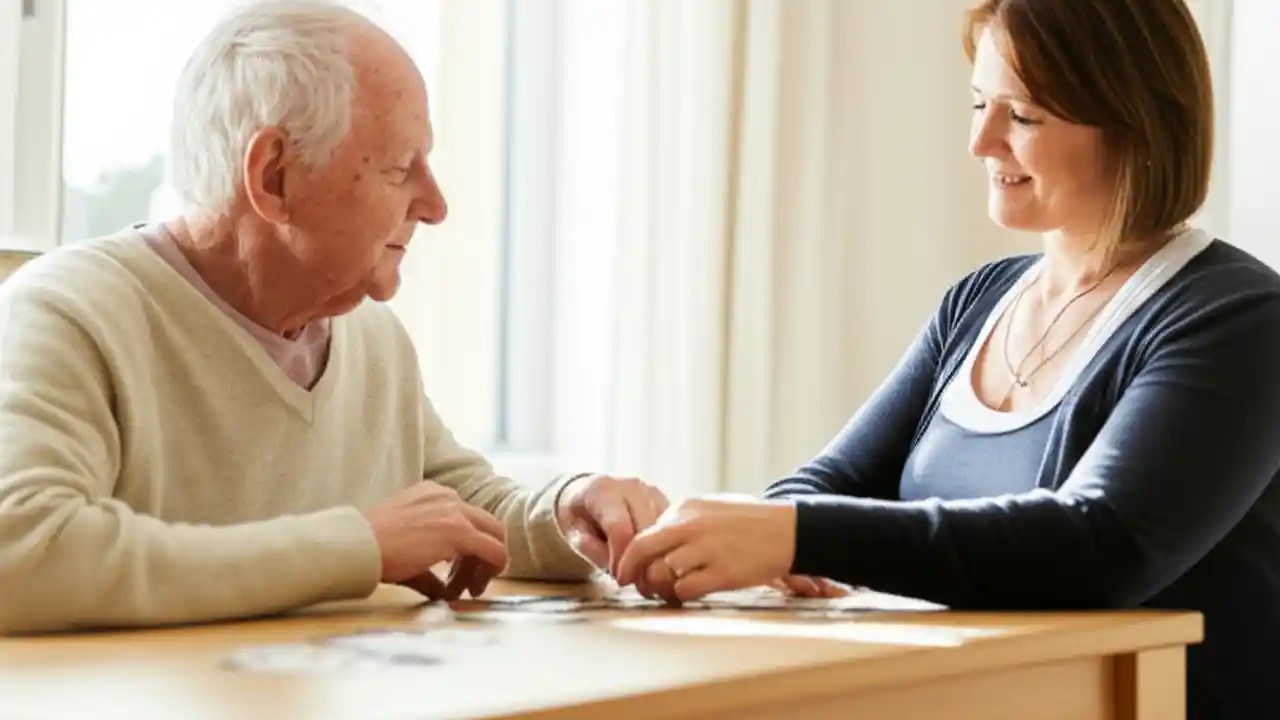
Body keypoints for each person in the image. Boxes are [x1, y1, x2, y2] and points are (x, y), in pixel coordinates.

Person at [617, 1, 1280, 716]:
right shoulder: (978, 302)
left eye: (1023, 116)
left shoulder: (1238, 320)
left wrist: (798, 536)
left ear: (1136, 122)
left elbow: (1101, 545)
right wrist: (754, 536)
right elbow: (831, 483)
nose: (981, 141)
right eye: (978, 104)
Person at [0, 0, 670, 633]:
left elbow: (450, 502)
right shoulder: (69, 311)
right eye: (401, 168)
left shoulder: (369, 336)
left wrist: (569, 511)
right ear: (273, 177)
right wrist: (359, 544)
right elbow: (22, 553)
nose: (435, 206)